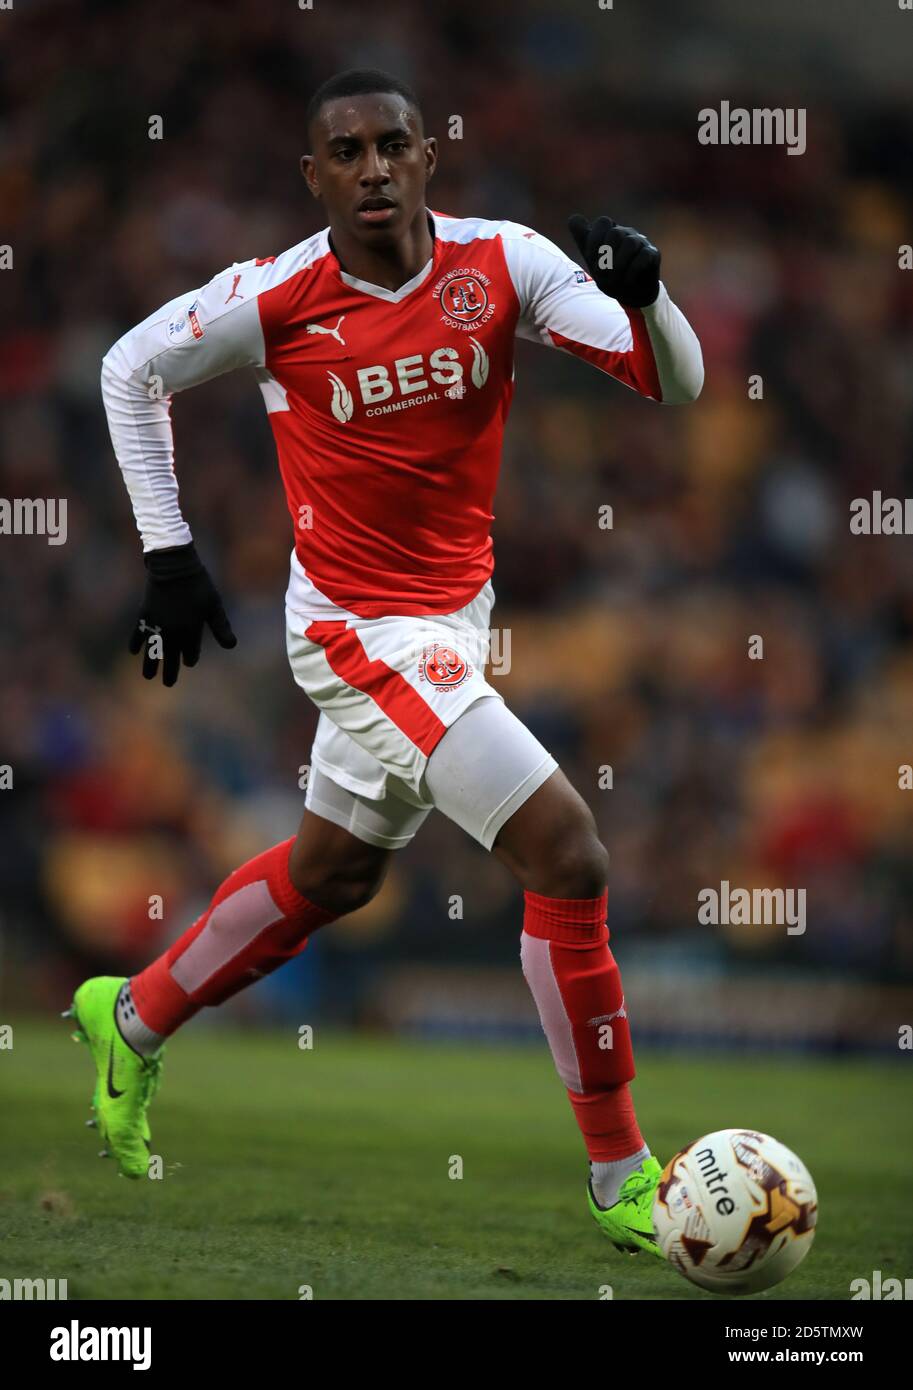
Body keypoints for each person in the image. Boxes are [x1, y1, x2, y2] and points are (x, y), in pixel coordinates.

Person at [67, 67, 703, 1258]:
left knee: (336, 874)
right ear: (314, 177)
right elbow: (127, 368)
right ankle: (620, 1172)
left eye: (391, 146)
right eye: (344, 151)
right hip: (355, 631)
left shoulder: (503, 265)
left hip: (453, 622)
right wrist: (169, 554)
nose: (370, 168)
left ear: (426, 161)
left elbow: (676, 381)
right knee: (567, 848)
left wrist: (652, 297)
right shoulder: (274, 297)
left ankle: (134, 1012)